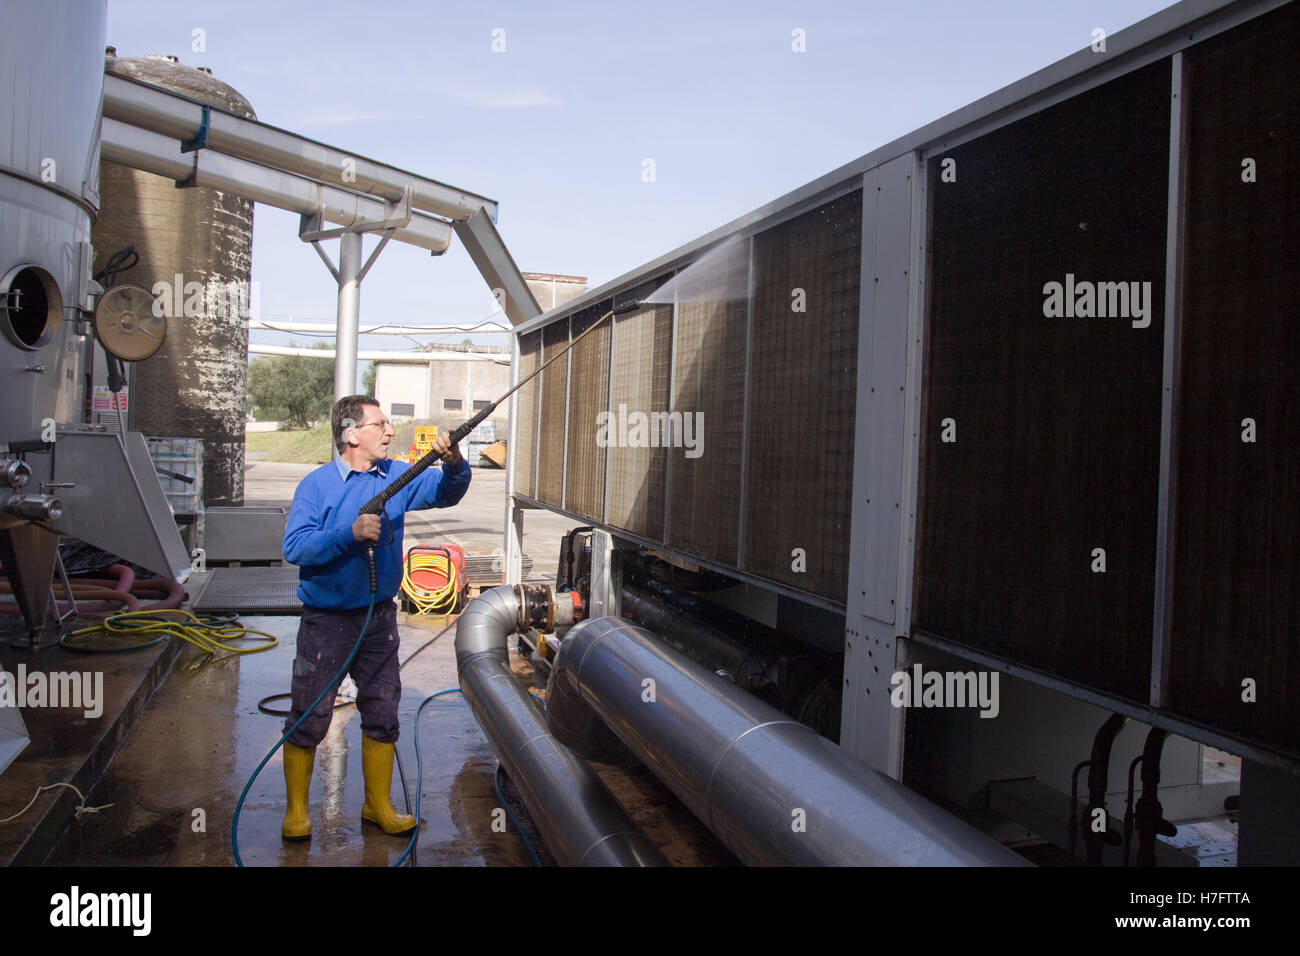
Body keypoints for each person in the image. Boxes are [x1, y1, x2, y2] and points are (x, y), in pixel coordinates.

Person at [278, 395, 471, 840]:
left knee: (383, 709)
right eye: (380, 424)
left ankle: (376, 805)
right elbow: (295, 548)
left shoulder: (398, 478)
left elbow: (447, 493)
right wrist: (349, 534)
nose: (389, 431)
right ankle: (296, 812)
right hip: (326, 621)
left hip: (379, 617)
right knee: (310, 713)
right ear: (352, 434)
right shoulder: (317, 485)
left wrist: (455, 460)